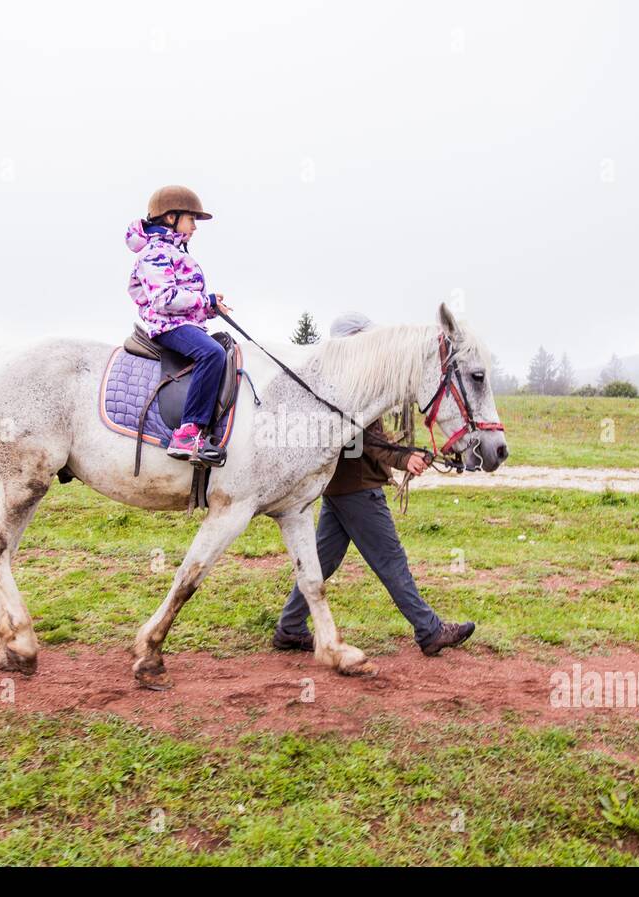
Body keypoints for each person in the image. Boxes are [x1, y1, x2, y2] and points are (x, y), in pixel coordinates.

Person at [273, 313, 477, 657]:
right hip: (357, 487)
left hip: (339, 487)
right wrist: (401, 459)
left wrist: (403, 454)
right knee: (391, 560)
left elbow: (366, 437)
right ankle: (429, 630)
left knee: (322, 560)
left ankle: (290, 628)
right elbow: (361, 440)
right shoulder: (350, 385)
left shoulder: (339, 381)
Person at [125, 184, 230, 466]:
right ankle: (187, 434)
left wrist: (209, 306)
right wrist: (204, 299)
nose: (195, 226)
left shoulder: (173, 250)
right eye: (191, 218)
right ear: (172, 217)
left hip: (183, 323)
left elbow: (184, 299)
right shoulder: (155, 252)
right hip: (167, 326)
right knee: (212, 353)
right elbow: (163, 298)